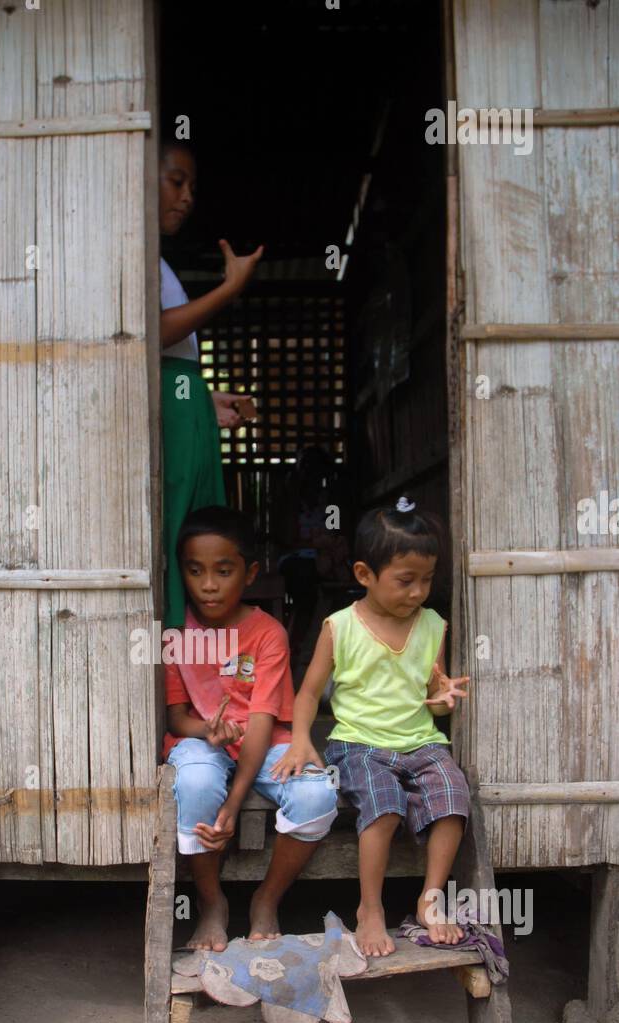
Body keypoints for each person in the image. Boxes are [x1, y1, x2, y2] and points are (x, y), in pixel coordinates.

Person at [272, 498, 471, 958]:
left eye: (427, 579)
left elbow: (434, 697)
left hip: (421, 741)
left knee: (453, 794)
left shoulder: (434, 626)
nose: (418, 591)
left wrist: (442, 702)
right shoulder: (340, 627)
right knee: (384, 804)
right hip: (358, 744)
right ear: (365, 574)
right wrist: (301, 738)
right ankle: (370, 909)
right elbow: (307, 693)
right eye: (406, 581)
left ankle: (430, 898)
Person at [164, 506, 338, 951]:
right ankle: (211, 903)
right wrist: (207, 730)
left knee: (317, 793)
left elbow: (262, 720)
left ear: (250, 572)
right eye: (195, 570)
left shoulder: (267, 633)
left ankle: (266, 899)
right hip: (201, 740)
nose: (208, 584)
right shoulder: (175, 632)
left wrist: (236, 802)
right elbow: (176, 716)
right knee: (198, 781)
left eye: (223, 571)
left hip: (265, 741)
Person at [159, 139, 264, 627]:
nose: (187, 197)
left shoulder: (158, 262)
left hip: (184, 403)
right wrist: (229, 289)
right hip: (175, 406)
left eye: (192, 187)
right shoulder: (137, 258)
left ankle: (194, 653)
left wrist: (204, 399)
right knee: (179, 528)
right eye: (176, 182)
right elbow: (153, 333)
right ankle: (176, 647)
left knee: (197, 524)